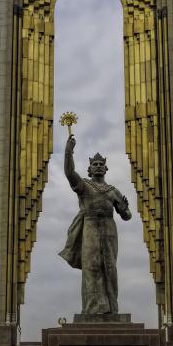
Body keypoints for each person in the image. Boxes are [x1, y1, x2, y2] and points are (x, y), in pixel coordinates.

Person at [58, 134, 132, 316]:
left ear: (105, 169)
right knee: (91, 266)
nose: (98, 166)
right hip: (90, 226)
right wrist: (68, 152)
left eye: (101, 164)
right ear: (90, 169)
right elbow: (69, 173)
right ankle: (92, 309)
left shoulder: (113, 191)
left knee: (109, 267)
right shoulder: (84, 185)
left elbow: (127, 216)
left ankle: (111, 309)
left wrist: (123, 210)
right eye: (95, 164)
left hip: (109, 229)